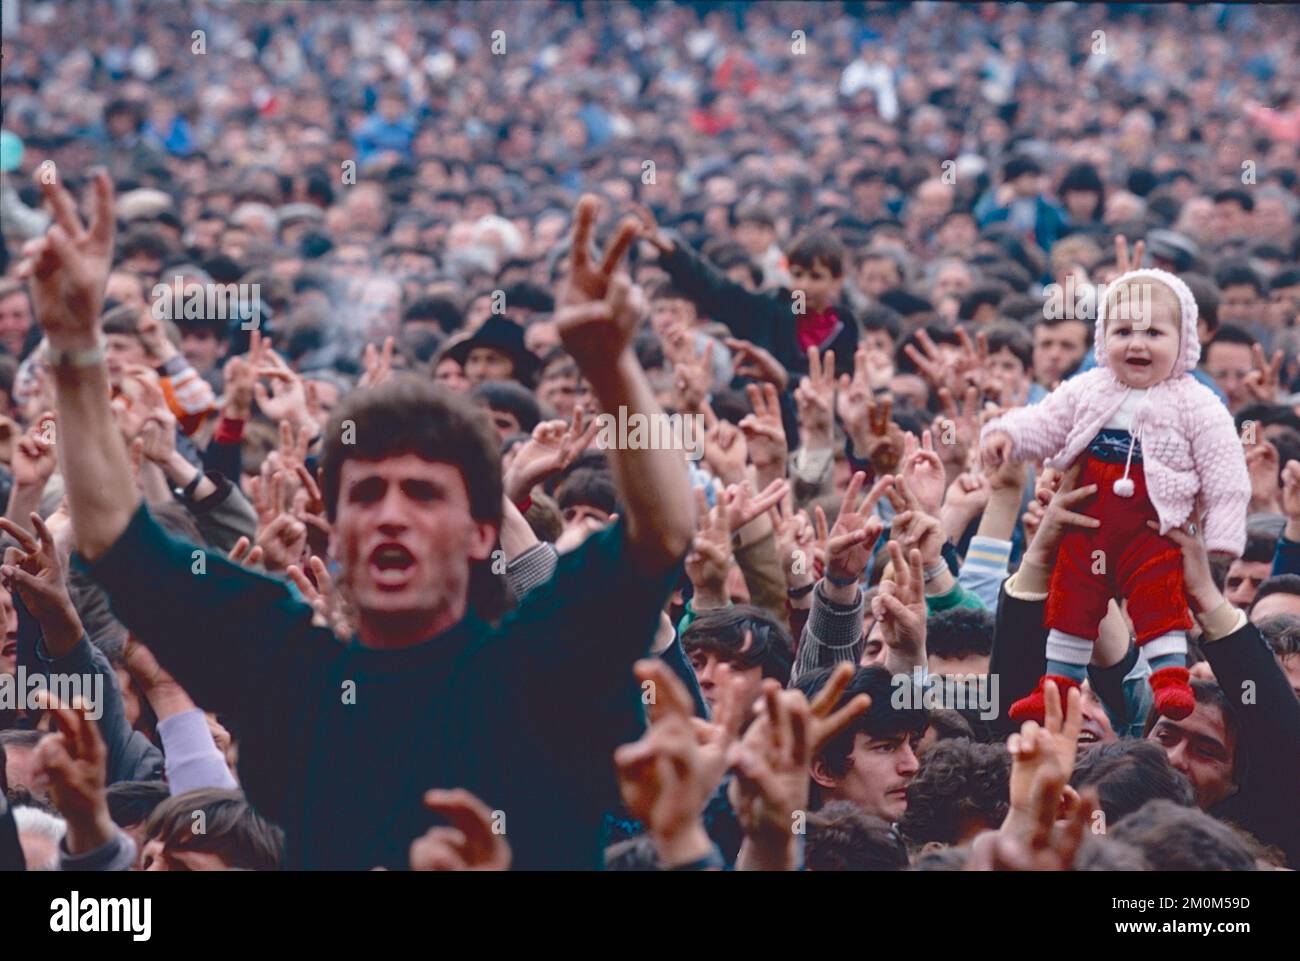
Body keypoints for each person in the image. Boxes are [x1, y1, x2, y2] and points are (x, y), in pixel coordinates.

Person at [18, 177, 695, 869]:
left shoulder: (546, 662)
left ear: (483, 532)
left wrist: (612, 367)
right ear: (336, 531)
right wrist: (74, 345)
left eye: (423, 494)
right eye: (367, 494)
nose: (391, 516)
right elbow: (114, 535)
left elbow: (664, 531)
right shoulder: (287, 667)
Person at [982, 263, 1250, 722]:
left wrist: (1223, 535)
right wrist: (1005, 434)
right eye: (1123, 331)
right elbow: (1043, 421)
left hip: (1154, 525)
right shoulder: (1089, 388)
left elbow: (1225, 469)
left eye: (1153, 333)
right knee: (1070, 600)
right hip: (1087, 520)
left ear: (1184, 341)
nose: (1137, 344)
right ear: (1102, 339)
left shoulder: (1196, 402)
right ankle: (1057, 683)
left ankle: (1169, 677)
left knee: (1158, 595)